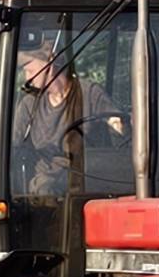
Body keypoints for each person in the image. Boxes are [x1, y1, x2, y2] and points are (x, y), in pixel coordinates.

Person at [12, 40, 127, 195]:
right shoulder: (30, 105)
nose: (27, 78)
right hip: (47, 189)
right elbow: (13, 145)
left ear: (50, 66)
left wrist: (120, 124)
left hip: (89, 182)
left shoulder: (89, 94)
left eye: (30, 71)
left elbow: (119, 128)